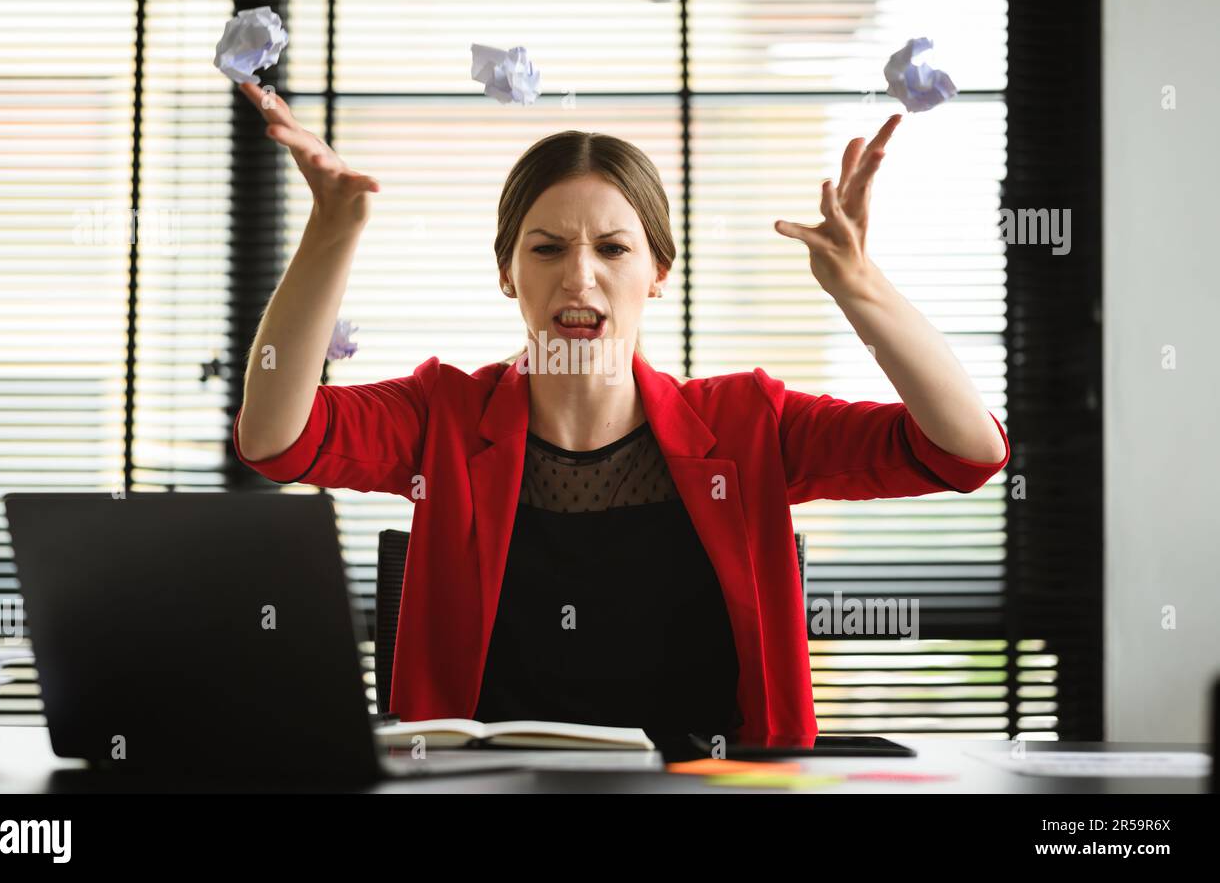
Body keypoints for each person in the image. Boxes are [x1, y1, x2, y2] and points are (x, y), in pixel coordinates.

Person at [232, 82, 1009, 744]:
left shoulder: (745, 424)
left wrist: (857, 285)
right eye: (545, 250)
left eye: (612, 248)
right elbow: (276, 438)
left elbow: (965, 450)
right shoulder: (443, 413)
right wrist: (332, 234)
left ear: (658, 272)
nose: (579, 277)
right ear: (507, 274)